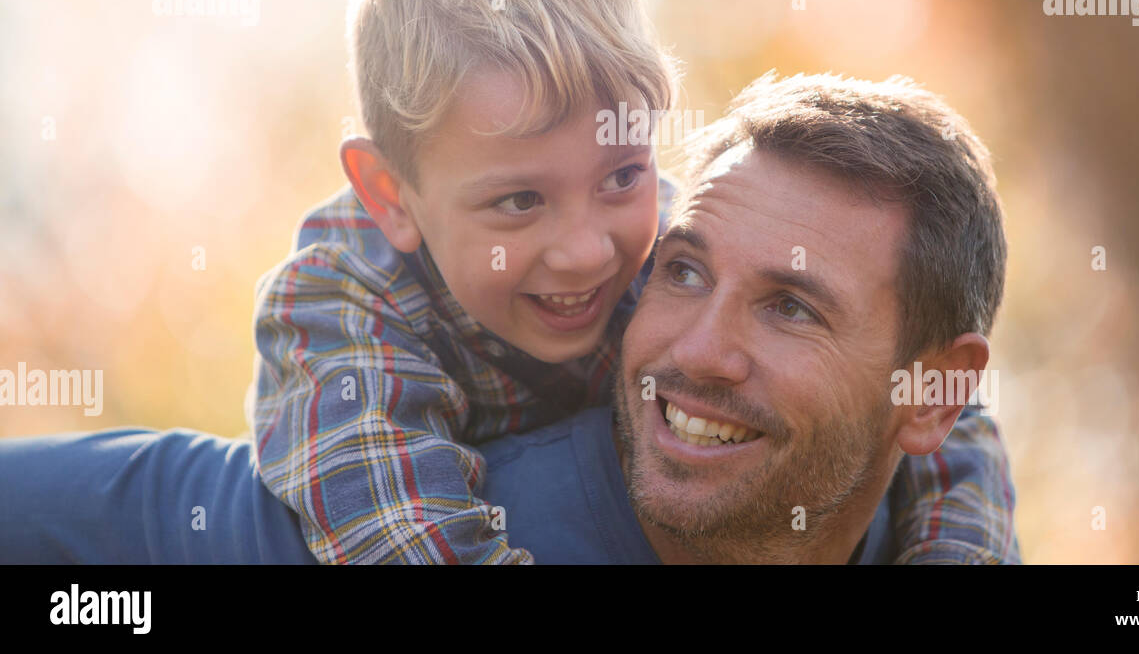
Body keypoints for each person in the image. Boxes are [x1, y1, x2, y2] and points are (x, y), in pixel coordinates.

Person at [244, 0, 1014, 563]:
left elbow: (944, 414)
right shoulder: (340, 307)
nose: (588, 251)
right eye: (518, 201)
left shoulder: (673, 248)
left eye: (621, 177)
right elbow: (396, 533)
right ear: (391, 195)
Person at [0, 72, 1020, 565]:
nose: (696, 350)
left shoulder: (916, 514)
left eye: (791, 307)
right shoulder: (395, 518)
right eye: (682, 271)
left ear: (931, 390)